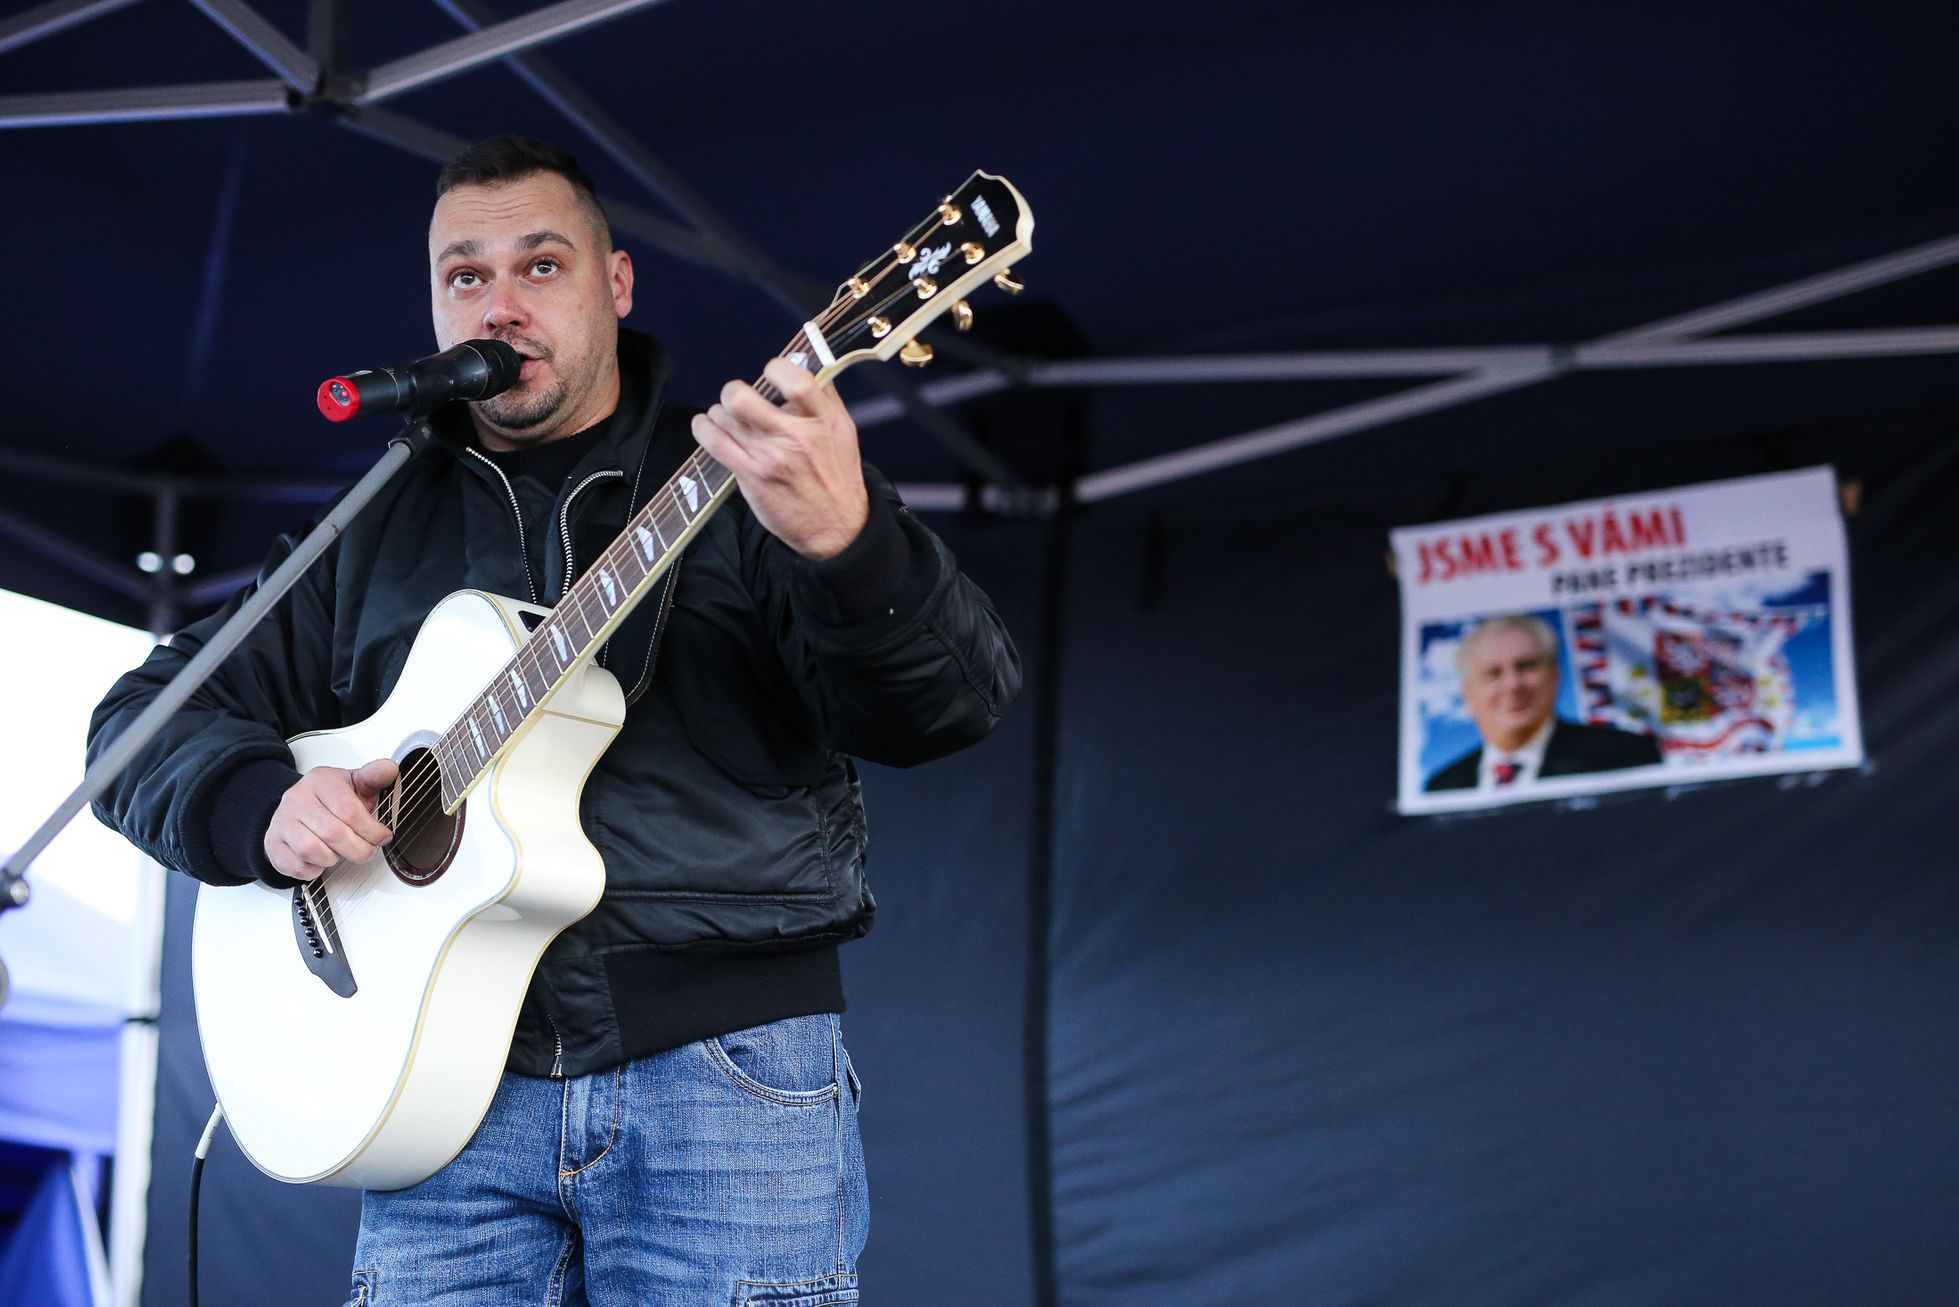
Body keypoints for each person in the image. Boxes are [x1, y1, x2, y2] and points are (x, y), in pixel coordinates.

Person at [87, 135, 1021, 1304]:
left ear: (615, 285)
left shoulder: (743, 476)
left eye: (540, 265)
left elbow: (950, 702)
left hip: (725, 1078)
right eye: (465, 276)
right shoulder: (376, 522)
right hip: (440, 1092)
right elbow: (143, 721)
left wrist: (852, 545)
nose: (501, 305)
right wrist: (258, 807)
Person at [1424, 613, 1659, 792]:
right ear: (1468, 694)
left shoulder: (1624, 755)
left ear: (1555, 675)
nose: (1513, 685)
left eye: (1526, 666)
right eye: (1493, 673)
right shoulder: (1442, 786)